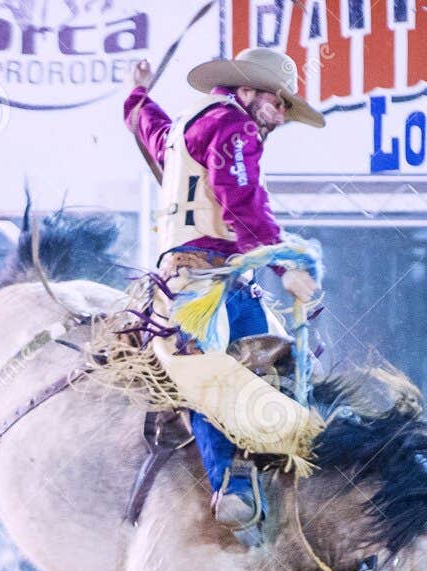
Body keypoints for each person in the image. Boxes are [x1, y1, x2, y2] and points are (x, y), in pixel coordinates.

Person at [123, 48, 324, 533]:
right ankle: (234, 482)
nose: (280, 117)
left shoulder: (184, 131)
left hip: (195, 282)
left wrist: (137, 93)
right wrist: (284, 265)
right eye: (278, 103)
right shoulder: (234, 127)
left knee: (243, 367)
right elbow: (243, 203)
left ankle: (254, 472)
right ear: (248, 90)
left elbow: (147, 127)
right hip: (209, 284)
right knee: (217, 373)